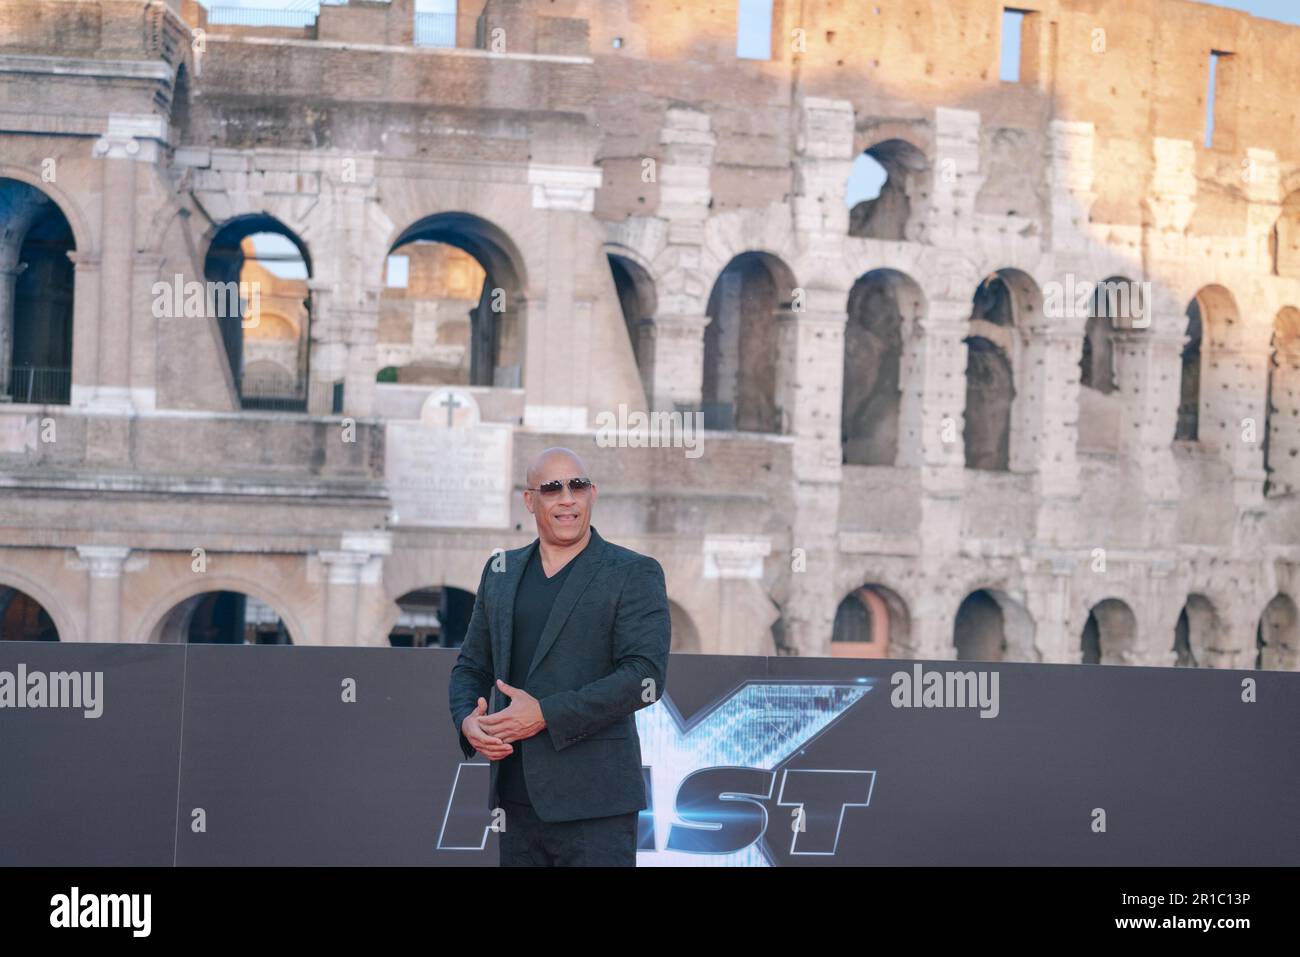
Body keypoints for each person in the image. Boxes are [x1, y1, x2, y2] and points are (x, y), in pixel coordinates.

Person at [448, 446, 670, 866]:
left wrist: (546, 715)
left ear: (592, 494)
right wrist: (467, 719)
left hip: (596, 803)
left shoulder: (632, 572)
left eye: (577, 485)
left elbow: (646, 677)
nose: (567, 498)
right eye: (552, 488)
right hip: (515, 800)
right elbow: (472, 666)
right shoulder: (501, 571)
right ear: (530, 500)